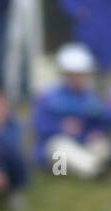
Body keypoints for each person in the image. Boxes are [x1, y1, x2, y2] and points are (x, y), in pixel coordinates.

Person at [32, 43, 111, 178]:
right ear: (64, 74)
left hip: (83, 146)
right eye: (73, 74)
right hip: (56, 155)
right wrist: (60, 127)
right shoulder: (48, 97)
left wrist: (96, 131)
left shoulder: (90, 97)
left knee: (101, 144)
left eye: (81, 74)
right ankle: (95, 170)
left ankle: (93, 167)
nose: (78, 78)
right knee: (60, 147)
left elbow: (103, 120)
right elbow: (39, 126)